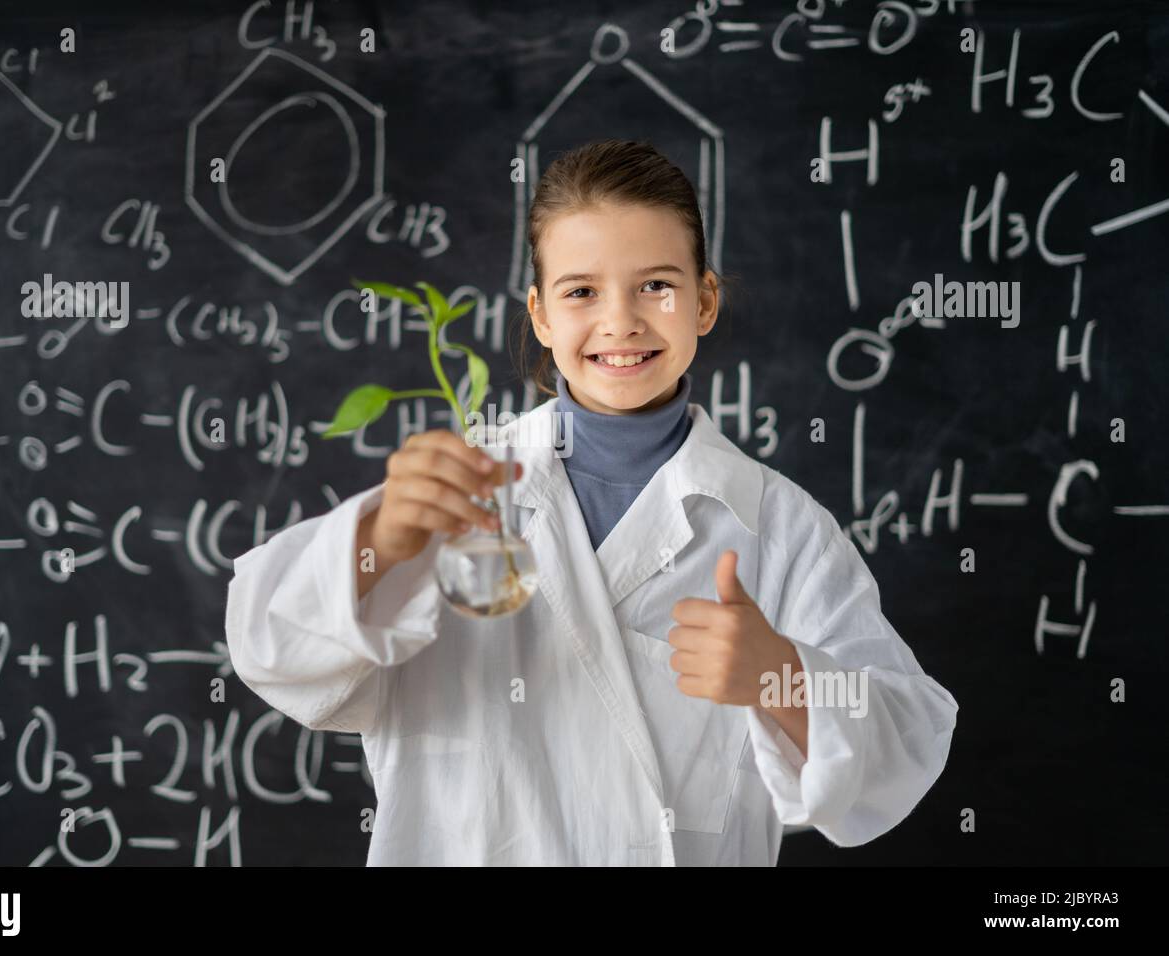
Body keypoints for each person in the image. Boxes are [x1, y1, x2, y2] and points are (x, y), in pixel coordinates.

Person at [224, 139, 958, 866]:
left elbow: (906, 744)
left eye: (656, 286)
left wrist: (782, 675)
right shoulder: (450, 500)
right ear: (541, 315)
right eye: (581, 291)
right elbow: (271, 650)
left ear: (704, 301)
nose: (621, 322)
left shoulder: (783, 528)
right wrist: (380, 539)